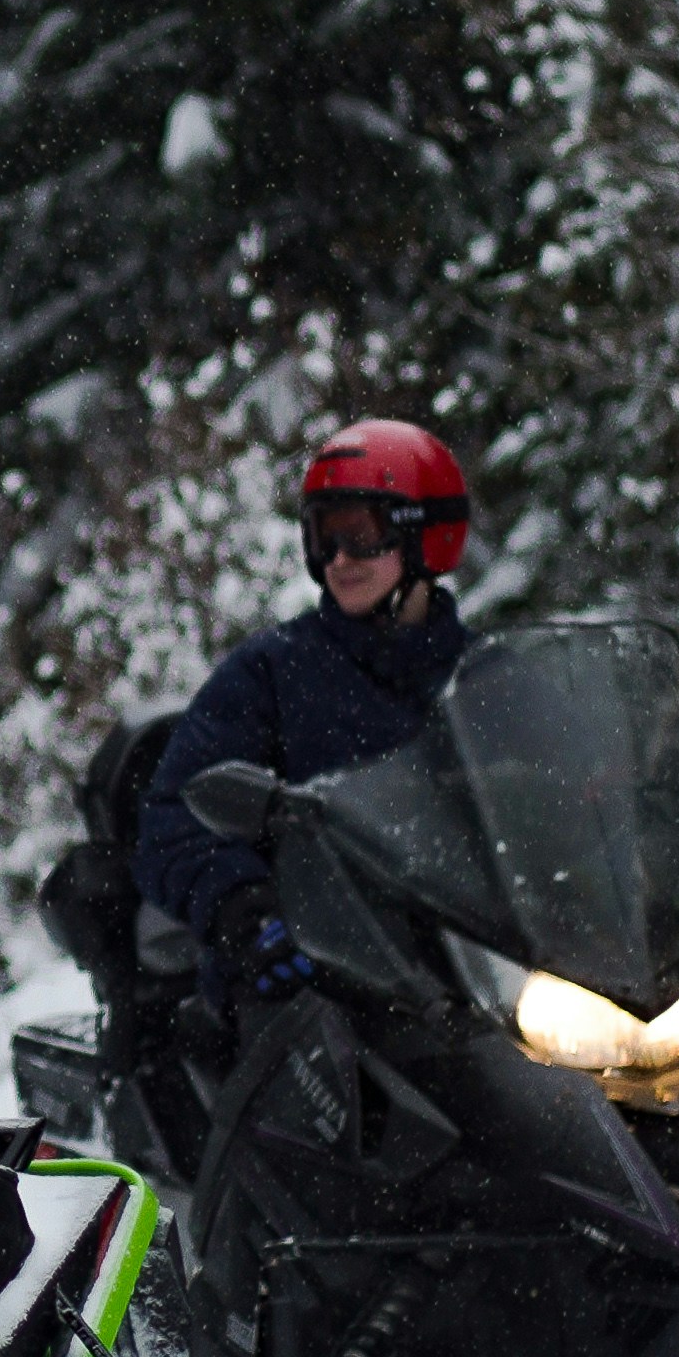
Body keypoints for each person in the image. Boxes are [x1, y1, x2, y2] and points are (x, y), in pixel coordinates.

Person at [134, 418, 471, 1013]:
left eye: (362, 536)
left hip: (458, 972)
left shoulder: (478, 678)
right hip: (302, 978)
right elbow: (176, 812)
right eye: (323, 538)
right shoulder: (273, 672)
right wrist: (246, 909)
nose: (340, 560)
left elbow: (547, 799)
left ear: (427, 537)